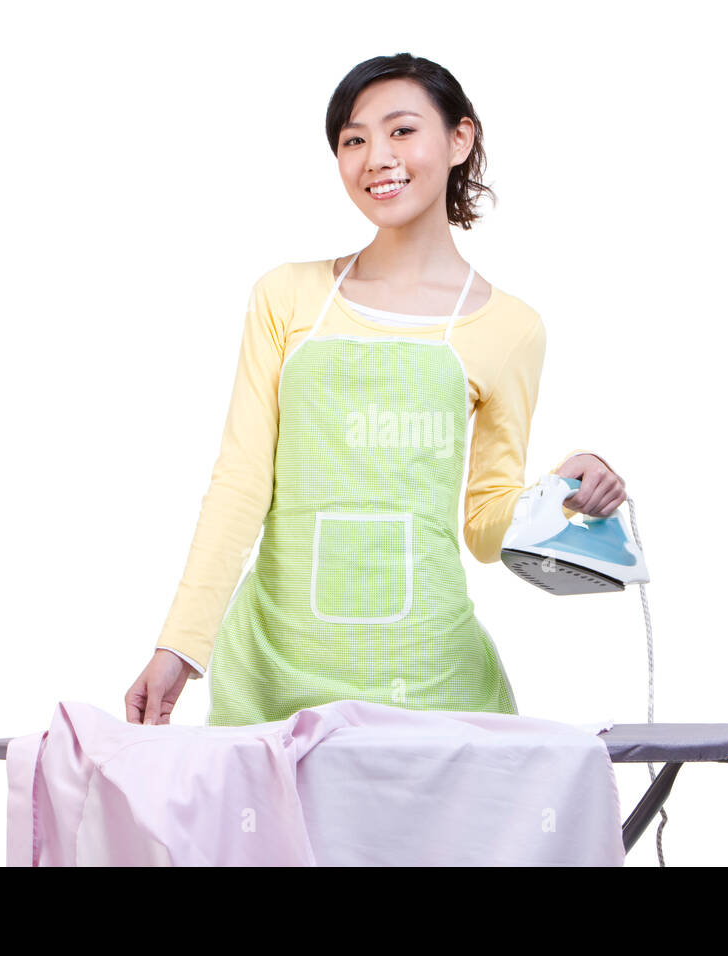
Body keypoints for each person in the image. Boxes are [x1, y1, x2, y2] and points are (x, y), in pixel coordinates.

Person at [125, 53, 627, 727]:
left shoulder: (511, 328)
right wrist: (180, 647)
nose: (375, 158)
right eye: (353, 139)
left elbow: (482, 528)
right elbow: (242, 481)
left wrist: (559, 488)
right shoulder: (287, 295)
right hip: (279, 668)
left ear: (459, 139)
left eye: (400, 131)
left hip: (430, 672)